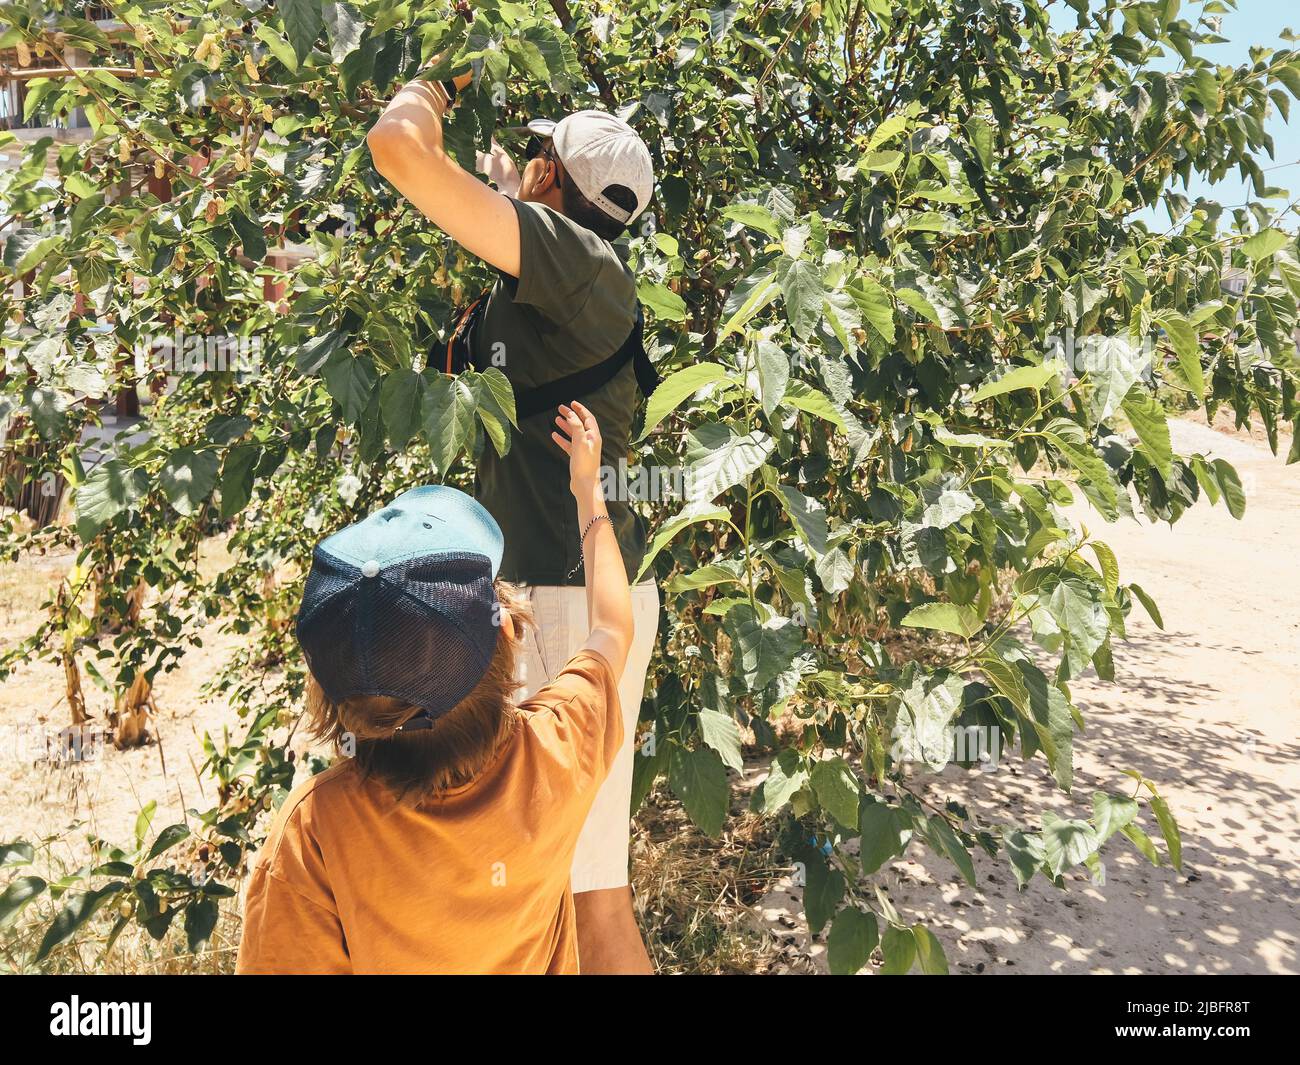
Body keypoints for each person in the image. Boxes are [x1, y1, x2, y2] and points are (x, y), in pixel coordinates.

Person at [366, 74, 660, 972]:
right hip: (584, 594)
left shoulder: (566, 257)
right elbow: (489, 196)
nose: (523, 168)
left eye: (539, 159)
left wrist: (431, 85)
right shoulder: (580, 274)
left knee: (574, 897)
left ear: (554, 186)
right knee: (580, 891)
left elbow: (399, 153)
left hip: (564, 606)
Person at [236, 403, 634, 974]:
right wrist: (587, 493)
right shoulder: (555, 751)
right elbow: (613, 627)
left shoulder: (315, 832)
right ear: (506, 630)